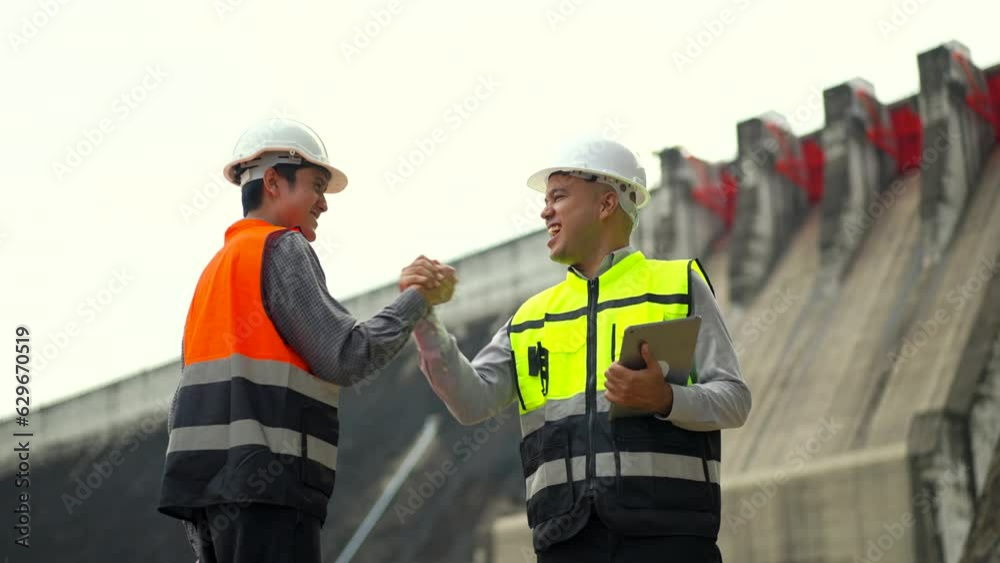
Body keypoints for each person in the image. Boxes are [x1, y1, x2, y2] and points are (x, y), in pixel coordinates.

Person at [407, 136, 751, 562]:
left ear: (606, 204)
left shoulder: (677, 285)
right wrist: (422, 316)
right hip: (565, 542)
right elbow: (470, 401)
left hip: (670, 539)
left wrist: (666, 398)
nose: (544, 210)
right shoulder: (531, 317)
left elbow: (734, 400)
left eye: (559, 196)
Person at [157, 118, 457, 563]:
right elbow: (347, 355)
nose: (324, 203)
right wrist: (418, 300)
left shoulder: (215, 273)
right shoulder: (282, 249)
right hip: (269, 494)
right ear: (274, 182)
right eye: (316, 186)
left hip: (208, 497)